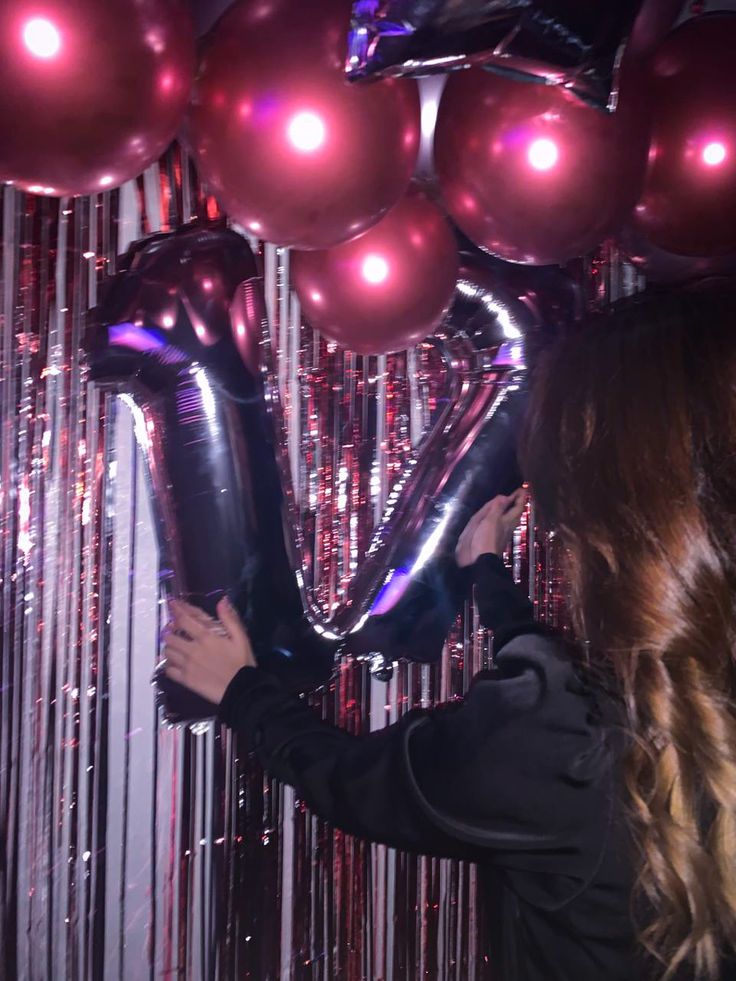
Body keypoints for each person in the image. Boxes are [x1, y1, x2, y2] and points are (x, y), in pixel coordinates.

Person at [162, 285, 736, 981]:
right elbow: (558, 697)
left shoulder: (560, 748)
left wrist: (242, 692)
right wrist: (491, 576)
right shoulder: (582, 730)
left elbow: (350, 779)